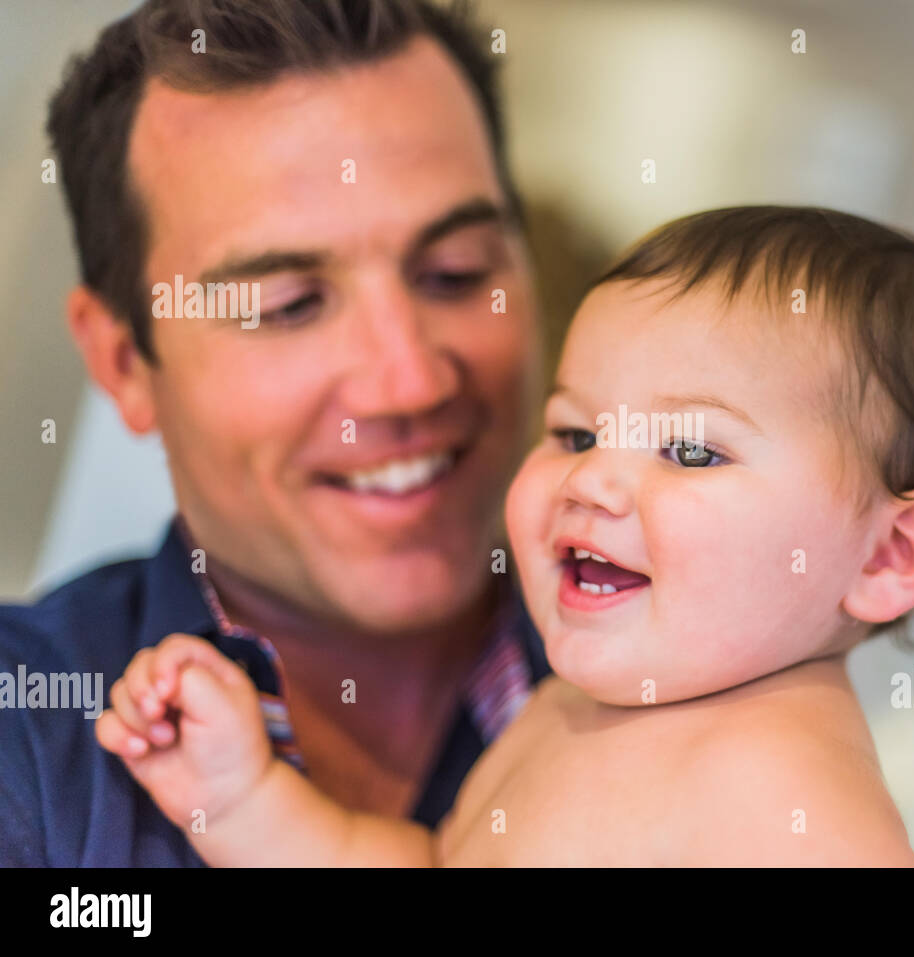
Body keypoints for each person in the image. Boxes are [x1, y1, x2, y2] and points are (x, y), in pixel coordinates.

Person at [98, 206, 914, 865]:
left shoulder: (779, 790)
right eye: (575, 433)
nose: (590, 477)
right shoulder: (560, 709)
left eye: (693, 451)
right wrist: (242, 800)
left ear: (888, 554)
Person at [0, 0, 549, 866]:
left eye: (455, 274)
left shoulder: (706, 690)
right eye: (287, 306)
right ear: (123, 364)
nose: (409, 379)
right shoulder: (24, 745)